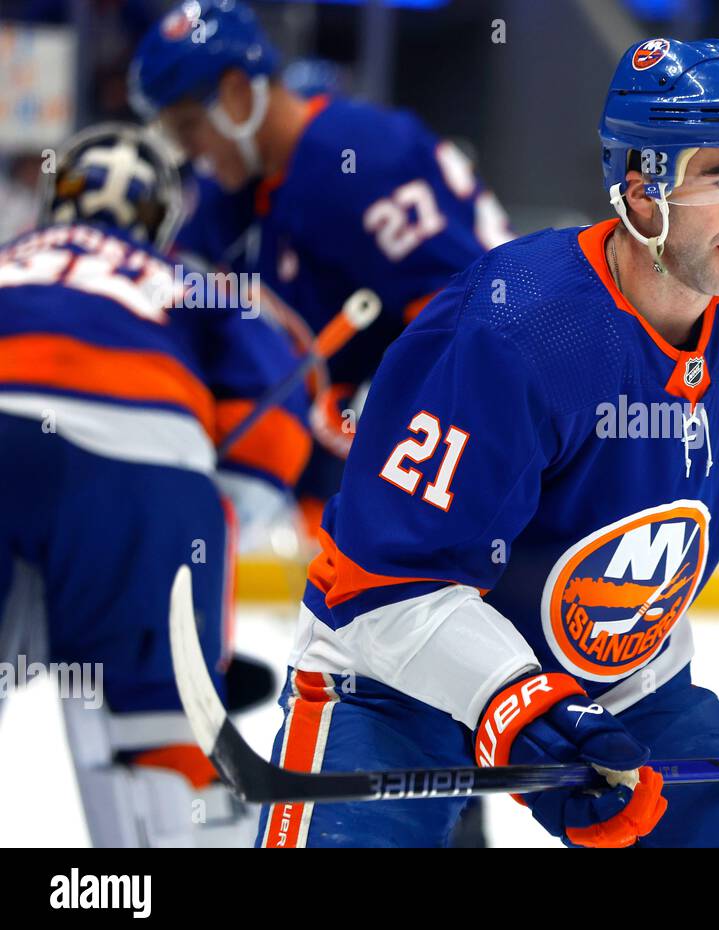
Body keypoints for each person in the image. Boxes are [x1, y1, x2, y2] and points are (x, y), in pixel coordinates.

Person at [254, 37, 719, 849]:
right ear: (641, 186)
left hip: (629, 688)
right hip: (396, 690)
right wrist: (510, 696)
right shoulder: (513, 325)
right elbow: (380, 582)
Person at [0, 122, 310, 846]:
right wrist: (205, 506)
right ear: (160, 215)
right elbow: (274, 419)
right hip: (139, 472)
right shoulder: (192, 279)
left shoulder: (8, 257)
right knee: (165, 732)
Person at [129, 0, 513, 535]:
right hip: (331, 467)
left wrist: (379, 410)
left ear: (238, 94)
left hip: (442, 448)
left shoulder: (354, 159)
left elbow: (480, 321)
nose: (191, 153)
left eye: (190, 128)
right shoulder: (238, 187)